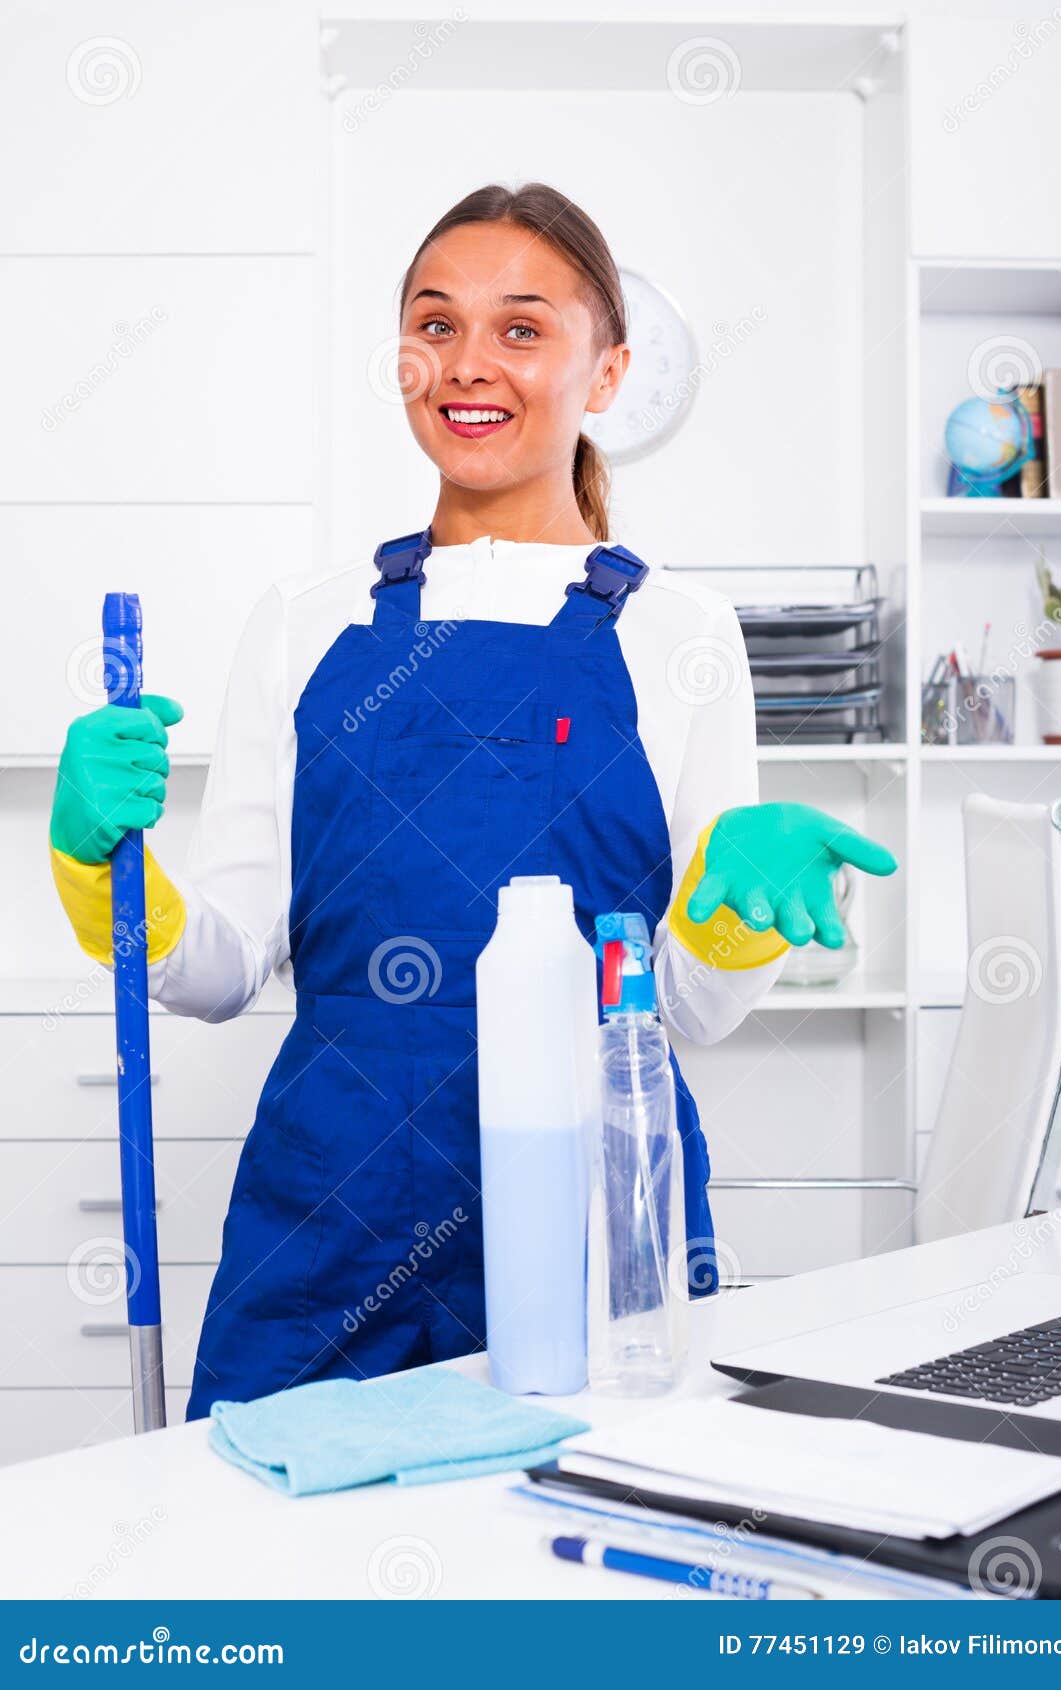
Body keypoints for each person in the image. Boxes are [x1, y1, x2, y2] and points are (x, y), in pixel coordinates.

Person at [48, 183, 897, 1418]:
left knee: (583, 1572)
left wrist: (731, 912)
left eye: (522, 328)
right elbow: (224, 968)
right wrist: (98, 866)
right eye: (437, 325)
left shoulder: (684, 632)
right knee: (273, 1581)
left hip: (599, 1224)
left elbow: (693, 1011)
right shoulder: (305, 621)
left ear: (604, 371)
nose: (469, 363)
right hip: (331, 1220)